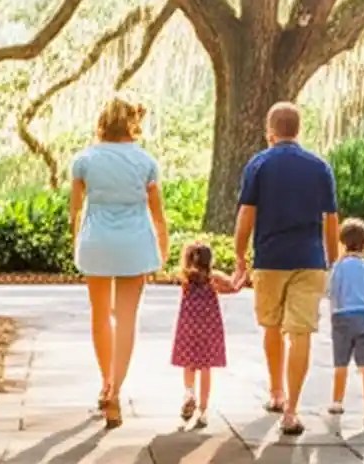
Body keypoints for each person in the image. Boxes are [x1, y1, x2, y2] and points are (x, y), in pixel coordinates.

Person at [232, 102, 339, 436]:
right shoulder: (319, 166)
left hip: (271, 259)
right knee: (301, 333)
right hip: (310, 260)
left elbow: (246, 214)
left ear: (270, 131)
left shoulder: (259, 164)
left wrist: (239, 256)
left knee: (272, 327)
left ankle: (276, 392)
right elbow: (331, 220)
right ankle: (292, 409)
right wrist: (332, 260)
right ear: (298, 130)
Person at [69, 94, 170, 429]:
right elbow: (158, 216)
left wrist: (76, 242)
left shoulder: (83, 161)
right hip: (135, 245)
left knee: (100, 316)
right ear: (132, 123)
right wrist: (164, 251)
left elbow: (75, 212)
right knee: (125, 319)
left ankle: (105, 381)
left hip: (96, 243)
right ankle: (114, 394)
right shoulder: (146, 163)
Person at [171, 241, 238, 429]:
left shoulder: (185, 279)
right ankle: (203, 410)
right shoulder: (213, 278)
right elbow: (233, 287)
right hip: (209, 331)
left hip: (188, 329)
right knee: (206, 368)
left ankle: (189, 392)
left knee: (189, 364)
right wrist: (241, 272)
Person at [326, 218, 364, 430]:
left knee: (341, 364)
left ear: (342, 242)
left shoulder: (338, 268)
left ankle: (337, 402)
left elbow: (332, 292)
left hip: (341, 317)